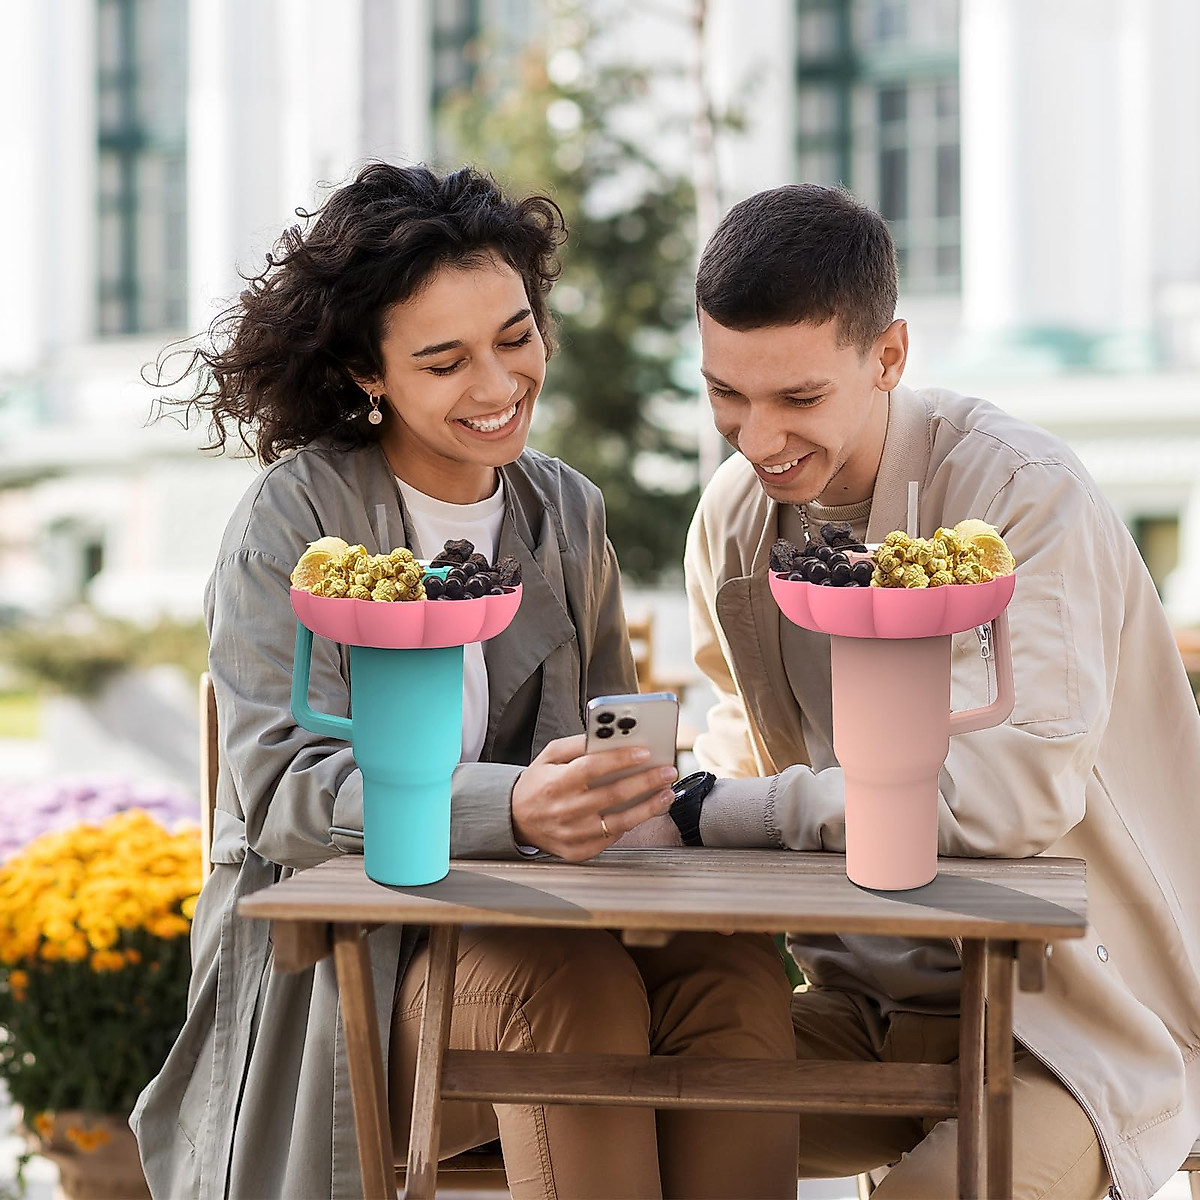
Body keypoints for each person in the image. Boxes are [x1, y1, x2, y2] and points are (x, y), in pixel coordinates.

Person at [130, 163, 799, 1200]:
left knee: (737, 980)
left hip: (546, 918)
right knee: (566, 992)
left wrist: (634, 796)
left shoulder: (565, 511)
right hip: (357, 959)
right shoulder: (296, 518)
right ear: (367, 371)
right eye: (444, 362)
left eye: (515, 338)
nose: (497, 387)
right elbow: (281, 791)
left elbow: (615, 739)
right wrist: (516, 806)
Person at [662, 183, 1200, 1199]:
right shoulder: (733, 519)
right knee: (623, 1120)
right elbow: (738, 749)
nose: (756, 437)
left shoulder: (1021, 492)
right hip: (859, 1004)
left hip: (1069, 1029)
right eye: (726, 393)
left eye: (798, 398)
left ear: (890, 356)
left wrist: (731, 810)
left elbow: (1009, 796)